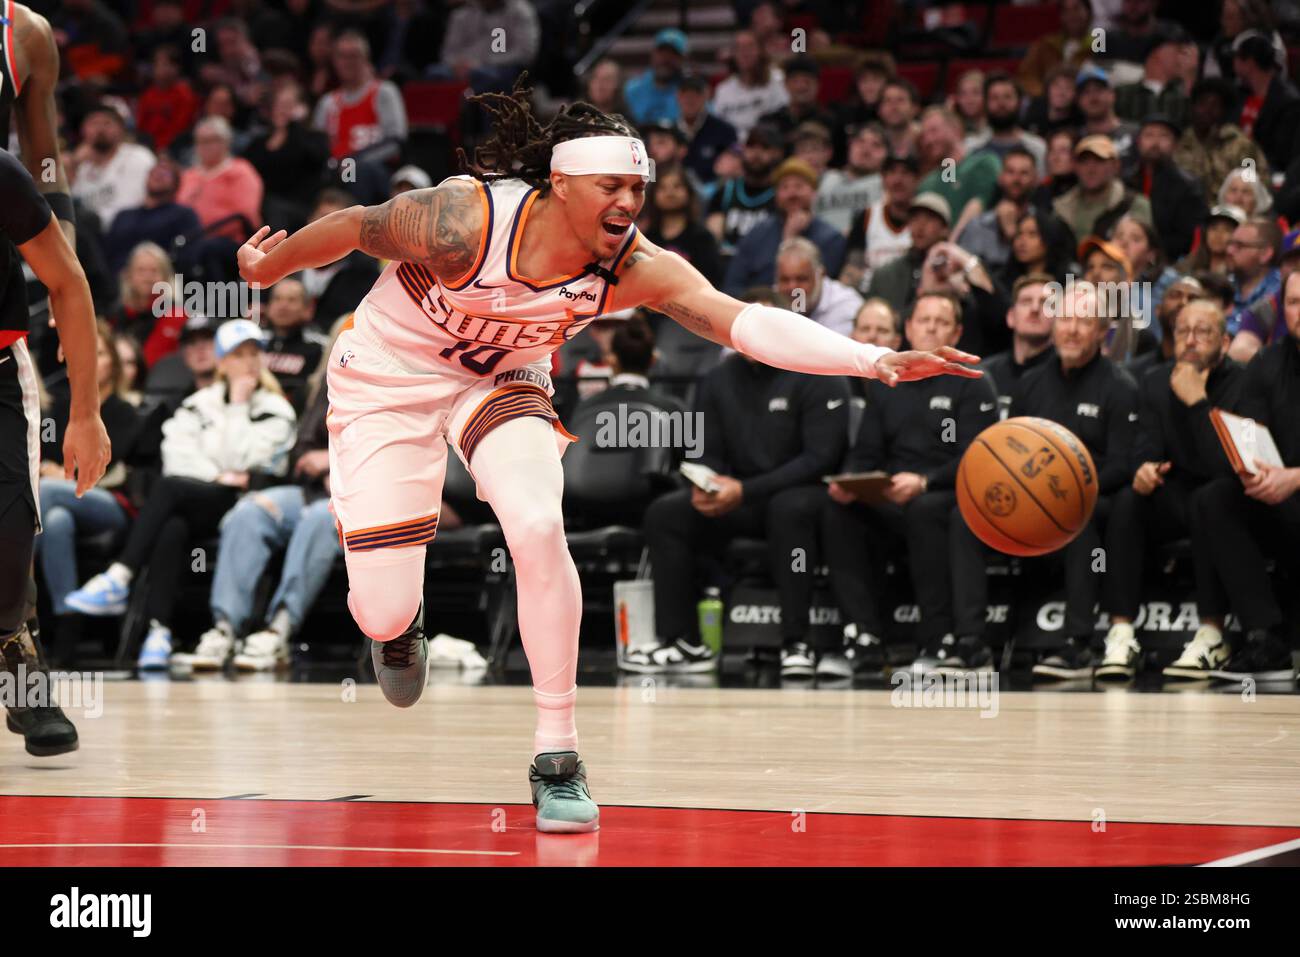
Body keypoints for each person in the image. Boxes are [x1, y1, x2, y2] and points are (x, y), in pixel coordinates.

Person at [233, 79, 983, 833]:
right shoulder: (462, 219)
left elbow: (741, 321)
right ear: (559, 183)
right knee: (381, 604)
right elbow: (359, 226)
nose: (628, 201)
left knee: (535, 525)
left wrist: (870, 359)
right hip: (391, 377)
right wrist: (271, 269)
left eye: (638, 185)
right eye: (610, 186)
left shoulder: (631, 265)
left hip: (502, 378)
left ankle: (557, 757)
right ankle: (398, 627)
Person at [65, 320, 296, 669]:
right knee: (172, 523)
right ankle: (160, 631)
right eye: (238, 354)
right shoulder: (196, 403)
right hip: (203, 497)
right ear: (222, 362)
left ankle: (120, 576)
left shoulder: (277, 408)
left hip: (245, 504)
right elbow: (177, 456)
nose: (249, 362)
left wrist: (238, 405)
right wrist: (219, 474)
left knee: (169, 491)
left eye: (254, 353)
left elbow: (252, 461)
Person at [953, 280, 1138, 681]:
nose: (1071, 329)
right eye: (1065, 318)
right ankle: (970, 644)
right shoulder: (1031, 383)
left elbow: (1123, 465)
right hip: (1027, 502)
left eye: (1084, 321)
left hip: (1086, 504)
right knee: (966, 518)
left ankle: (1079, 646)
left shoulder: (1120, 387)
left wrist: (1071, 490)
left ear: (1103, 330)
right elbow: (1008, 448)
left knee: (1079, 523)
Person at [820, 290, 1000, 678]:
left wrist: (925, 481)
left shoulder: (973, 381)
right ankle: (864, 636)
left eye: (942, 321)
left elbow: (980, 454)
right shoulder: (889, 381)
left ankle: (939, 639)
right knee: (837, 510)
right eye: (924, 320)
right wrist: (852, 480)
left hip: (949, 494)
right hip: (893, 494)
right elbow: (867, 450)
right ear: (908, 329)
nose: (931, 327)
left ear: (958, 331)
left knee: (926, 510)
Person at [0, 150, 111, 754]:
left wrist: (86, 412)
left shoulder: (2, 174)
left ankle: (18, 648)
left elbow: (67, 281)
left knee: (9, 540)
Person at [189, 318, 349, 672]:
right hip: (312, 488)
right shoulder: (329, 384)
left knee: (321, 517)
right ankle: (225, 628)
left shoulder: (396, 386)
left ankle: (278, 629)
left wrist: (337, 464)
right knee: (250, 511)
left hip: (363, 493)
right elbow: (302, 450)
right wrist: (318, 463)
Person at [1096, 299, 1245, 680]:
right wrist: (1142, 468)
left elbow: (1227, 463)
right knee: (1129, 500)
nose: (1191, 340)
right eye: (1183, 332)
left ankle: (1212, 633)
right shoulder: (1154, 380)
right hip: (1174, 489)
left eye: (1203, 332)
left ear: (1225, 343)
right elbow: (1144, 444)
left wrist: (1199, 402)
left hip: (1229, 494)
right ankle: (1121, 631)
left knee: (1209, 500)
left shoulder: (1242, 381)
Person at [1190, 268, 1300, 683]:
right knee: (1214, 496)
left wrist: (1295, 477)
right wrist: (1252, 472)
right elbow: (1250, 434)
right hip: (1282, 502)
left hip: (1295, 487)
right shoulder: (1267, 363)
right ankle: (1265, 637)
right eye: (1293, 302)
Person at [37, 322, 145, 665]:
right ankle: (68, 627)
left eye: (98, 354)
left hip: (112, 504)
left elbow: (110, 466)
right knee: (55, 521)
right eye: (81, 355)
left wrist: (61, 475)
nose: (89, 361)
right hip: (60, 500)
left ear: (112, 361)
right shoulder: (58, 407)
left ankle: (16, 609)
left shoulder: (124, 411)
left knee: (47, 493)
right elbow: (40, 457)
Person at [722, 157, 845, 295]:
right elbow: (732, 286)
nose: (792, 193)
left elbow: (814, 295)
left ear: (814, 192)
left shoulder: (830, 238)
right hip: (757, 310)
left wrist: (789, 239)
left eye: (799, 186)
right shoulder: (756, 234)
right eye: (784, 187)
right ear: (776, 195)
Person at [979, 273, 1057, 407]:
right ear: (1010, 317)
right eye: (1026, 301)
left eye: (1045, 303)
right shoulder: (985, 374)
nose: (1035, 309)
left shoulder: (1065, 375)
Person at [261, 277, 329, 412]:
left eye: (291, 300)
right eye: (277, 299)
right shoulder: (255, 342)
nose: (283, 305)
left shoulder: (320, 348)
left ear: (308, 309)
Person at [773, 237, 862, 338]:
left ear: (821, 275)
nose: (793, 288)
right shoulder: (769, 303)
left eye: (801, 279)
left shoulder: (846, 306)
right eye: (785, 280)